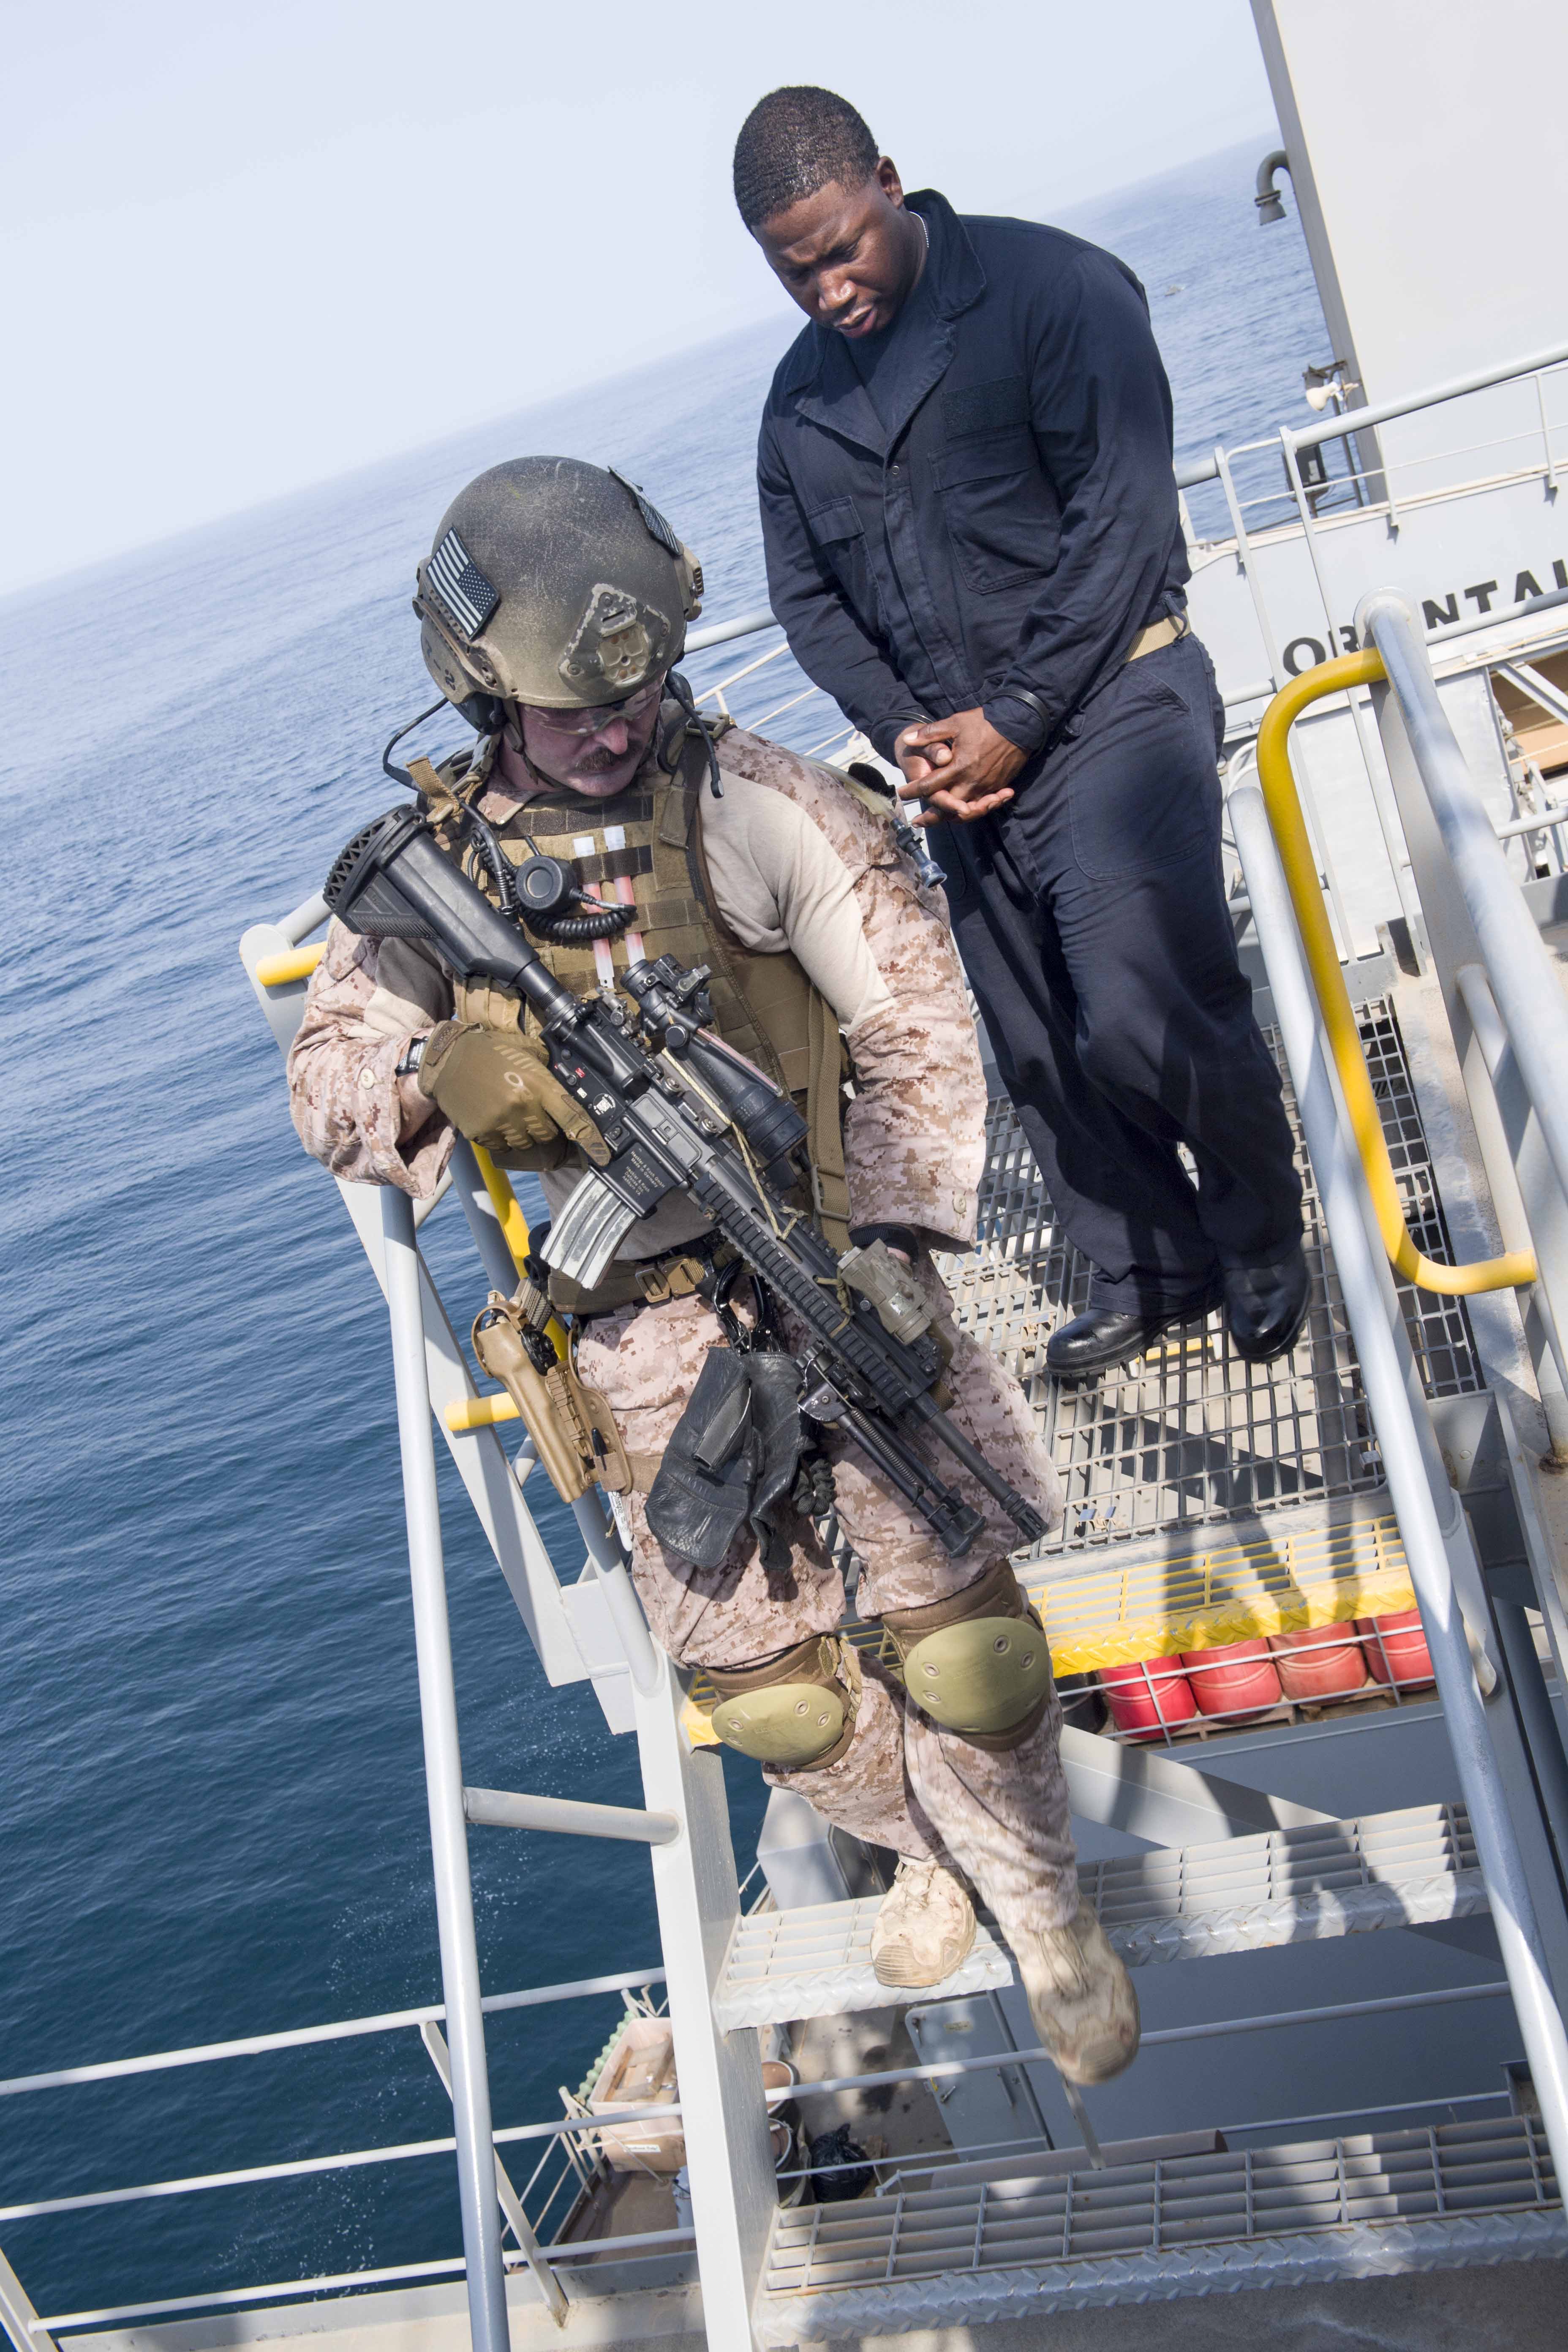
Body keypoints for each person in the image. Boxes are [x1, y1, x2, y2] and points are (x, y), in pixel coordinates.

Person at [287, 456, 1139, 2085]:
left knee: (968, 1641)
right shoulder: (433, 877)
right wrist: (456, 1067)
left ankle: (1043, 1907)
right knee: (774, 1699)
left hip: (835, 1263)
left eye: (642, 691)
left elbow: (914, 1027)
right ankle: (921, 1848)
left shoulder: (759, 799)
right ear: (484, 693)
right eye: (573, 712)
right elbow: (332, 1091)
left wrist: (888, 1248)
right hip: (636, 1340)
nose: (618, 730)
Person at [736, 86, 1308, 1379]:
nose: (829, 289)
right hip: (962, 769)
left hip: (1115, 704)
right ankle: (1146, 1271)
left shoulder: (1056, 290)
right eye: (794, 270)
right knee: (1042, 1045)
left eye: (842, 248)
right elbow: (805, 600)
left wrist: (1016, 718)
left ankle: (1261, 1234)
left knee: (1138, 1005)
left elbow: (1123, 522)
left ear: (887, 179)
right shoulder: (793, 408)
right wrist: (910, 735)